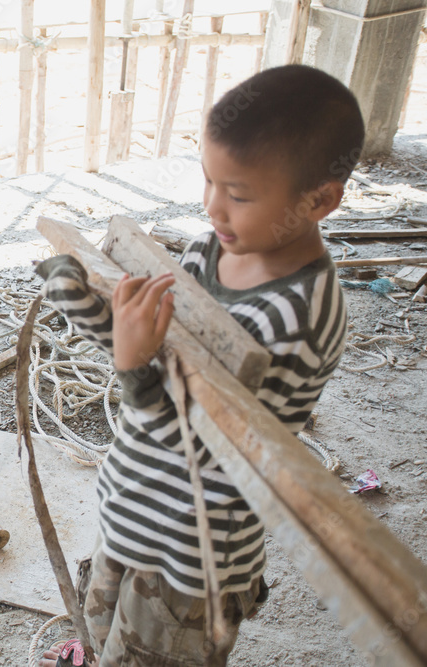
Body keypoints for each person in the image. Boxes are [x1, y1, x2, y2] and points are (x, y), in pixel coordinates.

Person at [37, 64, 363, 666]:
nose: (212, 205)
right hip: (131, 512)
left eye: (238, 194)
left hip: (189, 562)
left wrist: (133, 369)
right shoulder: (210, 248)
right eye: (209, 180)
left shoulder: (299, 318)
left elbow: (212, 448)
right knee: (99, 634)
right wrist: (84, 304)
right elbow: (156, 344)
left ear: (320, 200)